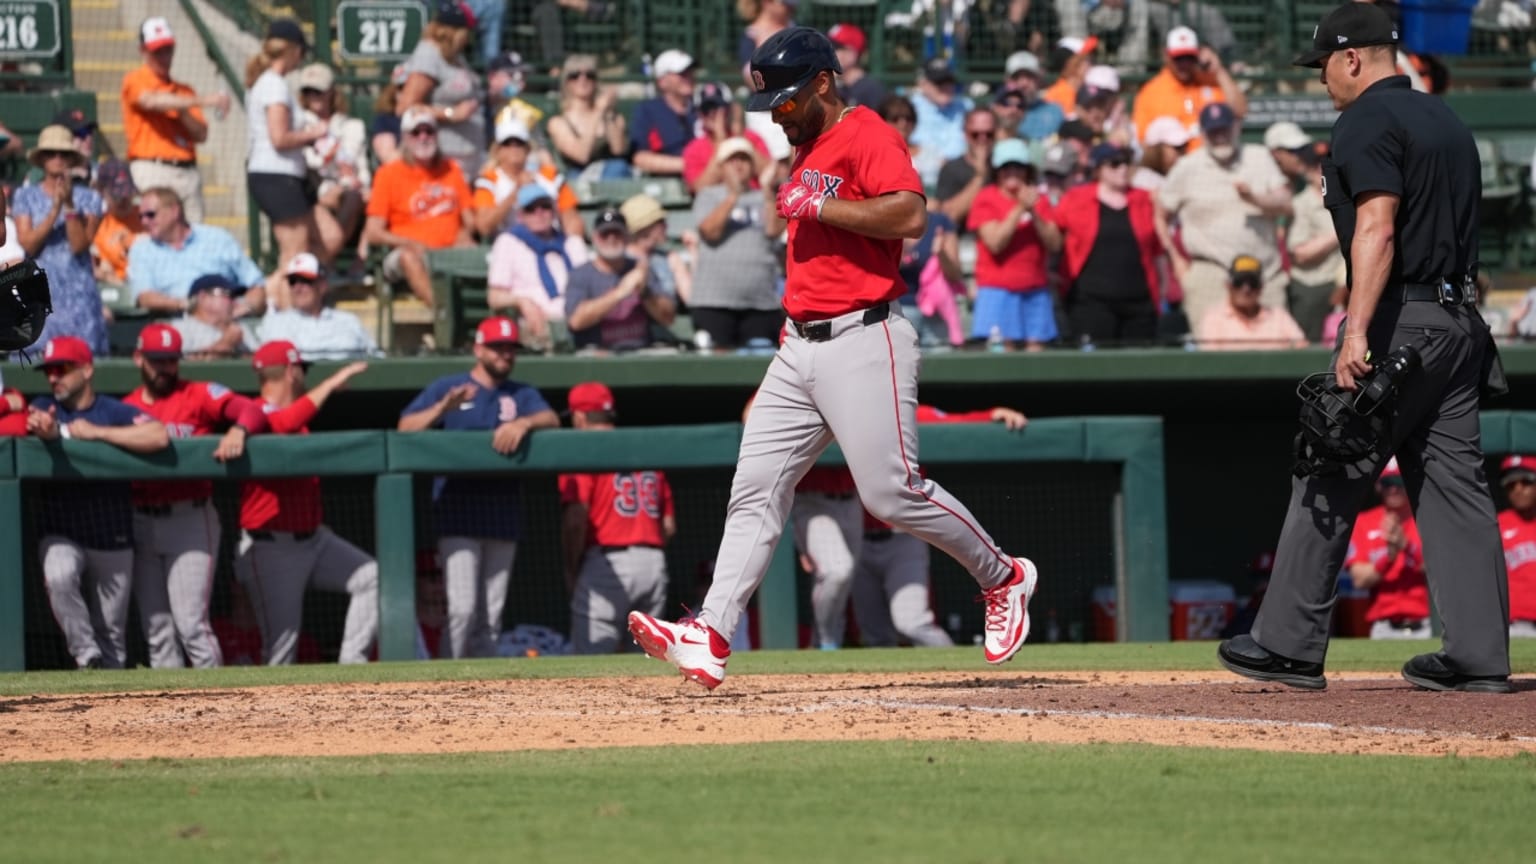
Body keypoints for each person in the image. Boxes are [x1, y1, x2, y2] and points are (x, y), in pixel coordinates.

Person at [627, 28, 1037, 690]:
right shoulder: (808, 145)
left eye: (788, 100)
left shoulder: (866, 131)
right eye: (772, 105)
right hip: (799, 344)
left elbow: (910, 215)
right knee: (754, 486)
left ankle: (1004, 576)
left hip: (864, 333)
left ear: (823, 82)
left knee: (889, 494)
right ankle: (710, 634)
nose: (779, 114)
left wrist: (824, 204)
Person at [1217, 3, 1511, 694]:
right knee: (1454, 487)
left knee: (1330, 462)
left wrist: (1354, 332)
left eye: (1323, 65)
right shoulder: (1447, 119)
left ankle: (1287, 644)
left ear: (1354, 58)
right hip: (1461, 321)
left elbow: (1376, 228)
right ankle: (1478, 656)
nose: (1322, 79)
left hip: (1399, 322)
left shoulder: (1368, 120)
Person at [397, 316, 560, 658]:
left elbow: (552, 418)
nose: (505, 354)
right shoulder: (450, 386)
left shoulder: (521, 394)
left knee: (490, 617)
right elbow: (405, 428)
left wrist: (524, 422)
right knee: (462, 610)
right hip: (457, 511)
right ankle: (446, 683)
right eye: (497, 347)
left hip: (503, 513)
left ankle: (483, 692)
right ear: (478, 348)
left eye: (510, 348)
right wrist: (442, 409)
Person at [124, 322, 269, 669]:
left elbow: (252, 410)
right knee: (156, 628)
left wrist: (239, 429)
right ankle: (168, 714)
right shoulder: (126, 407)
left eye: (170, 360)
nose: (164, 368)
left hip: (189, 516)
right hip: (142, 518)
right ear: (138, 359)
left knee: (191, 624)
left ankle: (216, 704)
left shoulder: (198, 393)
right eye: (156, 360)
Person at [24, 337, 169, 669]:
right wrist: (46, 430)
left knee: (113, 636)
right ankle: (85, 655)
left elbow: (158, 435)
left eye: (63, 369)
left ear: (87, 369)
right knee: (59, 576)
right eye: (49, 370)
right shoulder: (45, 404)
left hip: (112, 532)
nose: (54, 377)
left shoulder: (110, 410)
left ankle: (110, 709)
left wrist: (99, 433)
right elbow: (36, 422)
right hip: (62, 531)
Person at [236, 342, 377, 664]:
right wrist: (329, 384)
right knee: (281, 647)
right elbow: (281, 424)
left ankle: (351, 667)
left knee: (372, 577)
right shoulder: (256, 412)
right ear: (291, 371)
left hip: (313, 538)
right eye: (302, 369)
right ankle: (267, 713)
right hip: (271, 545)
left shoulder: (297, 418)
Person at [854, 403, 1028, 648]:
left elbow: (954, 423)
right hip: (856, 541)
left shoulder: (907, 411)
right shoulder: (849, 416)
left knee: (912, 623)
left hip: (903, 539)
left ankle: (962, 669)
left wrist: (989, 415)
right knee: (875, 634)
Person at [559, 381, 675, 653]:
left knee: (591, 664)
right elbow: (668, 526)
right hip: (653, 561)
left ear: (579, 417)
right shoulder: (642, 449)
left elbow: (575, 520)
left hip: (607, 563)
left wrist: (571, 570)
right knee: (646, 662)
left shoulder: (581, 449)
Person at [1158, 102, 1291, 329]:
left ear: (1237, 127)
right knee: (1213, 358)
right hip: (1211, 274)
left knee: (1273, 355)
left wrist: (1255, 199)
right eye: (1213, 131)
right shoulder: (1187, 167)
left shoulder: (1259, 157)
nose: (1220, 137)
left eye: (1224, 129)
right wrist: (1177, 262)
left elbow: (1286, 203)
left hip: (1263, 275)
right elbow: (1160, 215)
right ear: (1202, 133)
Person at [1036, 143, 1163, 347]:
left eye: (1126, 163)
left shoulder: (1144, 199)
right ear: (1098, 169)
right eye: (1114, 164)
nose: (1122, 169)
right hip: (1091, 301)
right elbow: (1052, 236)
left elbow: (1157, 250)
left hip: (1139, 301)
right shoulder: (1077, 198)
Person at [246, 18, 330, 303]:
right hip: (276, 176)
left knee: (309, 246)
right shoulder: (274, 85)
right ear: (291, 50)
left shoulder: (269, 83)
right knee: (293, 256)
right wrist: (313, 133)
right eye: (301, 52)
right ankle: (271, 311)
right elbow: (279, 138)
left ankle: (262, 301)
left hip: (280, 176)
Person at [121, 16, 230, 225]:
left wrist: (181, 109)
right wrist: (204, 101)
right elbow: (150, 101)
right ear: (143, 51)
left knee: (194, 237)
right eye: (157, 51)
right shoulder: (135, 79)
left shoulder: (184, 91)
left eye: (167, 50)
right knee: (157, 233)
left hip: (186, 172)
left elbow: (201, 134)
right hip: (152, 169)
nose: (164, 57)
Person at [363, 106, 477, 305]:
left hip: (450, 250)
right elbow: (373, 232)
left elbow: (471, 219)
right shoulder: (388, 174)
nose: (423, 137)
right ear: (405, 138)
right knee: (409, 258)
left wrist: (466, 231)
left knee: (482, 255)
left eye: (429, 131)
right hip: (408, 252)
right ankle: (444, 315)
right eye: (416, 132)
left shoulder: (451, 169)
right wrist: (408, 243)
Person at [13, 126, 107, 356]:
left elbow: (79, 245)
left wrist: (69, 205)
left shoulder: (90, 198)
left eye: (63, 154)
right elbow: (29, 244)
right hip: (40, 293)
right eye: (51, 153)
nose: (57, 159)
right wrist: (55, 209)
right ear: (42, 158)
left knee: (82, 358)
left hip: (79, 297)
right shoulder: (25, 196)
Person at [689, 137, 786, 350]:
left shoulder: (765, 197)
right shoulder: (708, 195)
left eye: (744, 159)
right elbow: (710, 232)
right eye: (732, 160)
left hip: (760, 303)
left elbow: (773, 230)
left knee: (760, 369)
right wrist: (734, 196)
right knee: (715, 370)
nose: (739, 165)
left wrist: (768, 192)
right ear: (721, 167)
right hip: (714, 302)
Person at [967, 139, 1054, 351]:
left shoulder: (1040, 200)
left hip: (1035, 290)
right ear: (997, 170)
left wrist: (1033, 212)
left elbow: (1054, 243)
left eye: (1018, 167)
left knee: (1037, 360)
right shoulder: (985, 199)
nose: (1012, 172)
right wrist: (1020, 209)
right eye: (1006, 167)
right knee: (1001, 358)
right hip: (998, 291)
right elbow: (995, 243)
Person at [127, 187, 266, 316]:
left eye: (150, 214)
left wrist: (245, 309)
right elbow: (145, 297)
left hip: (228, 319)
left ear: (174, 211)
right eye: (140, 216)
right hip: (178, 323)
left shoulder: (217, 238)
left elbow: (256, 285)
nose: (144, 221)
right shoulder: (142, 250)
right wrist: (191, 306)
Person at [1266, 123, 1344, 343]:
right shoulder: (1301, 203)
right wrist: (1340, 232)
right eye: (1314, 164)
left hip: (1347, 285)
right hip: (1314, 285)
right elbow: (1300, 253)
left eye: (1326, 163)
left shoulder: (1347, 199)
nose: (1320, 168)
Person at [486, 184, 590, 348]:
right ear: (521, 216)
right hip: (535, 323)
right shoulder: (509, 243)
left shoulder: (571, 243)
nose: (539, 213)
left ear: (554, 211)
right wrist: (522, 301)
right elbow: (494, 297)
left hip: (578, 319)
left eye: (545, 207)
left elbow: (590, 285)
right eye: (531, 209)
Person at [1340, 457, 1430, 639]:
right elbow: (1360, 579)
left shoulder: (1427, 519)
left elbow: (1439, 568)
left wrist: (1406, 546)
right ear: (1378, 486)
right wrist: (1389, 557)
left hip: (1426, 626)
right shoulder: (1363, 522)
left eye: (1399, 482)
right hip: (1384, 628)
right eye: (1387, 483)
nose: (1394, 489)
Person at [397, 1, 488, 179]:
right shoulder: (429, 54)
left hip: (469, 154)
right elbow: (405, 107)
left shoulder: (455, 56)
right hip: (443, 158)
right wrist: (450, 113)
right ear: (457, 32)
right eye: (467, 32)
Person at [564, 207, 674, 350]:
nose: (611, 239)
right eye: (605, 234)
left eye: (617, 233)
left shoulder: (639, 269)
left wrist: (645, 292)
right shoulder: (581, 274)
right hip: (598, 355)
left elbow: (668, 317)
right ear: (595, 238)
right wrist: (620, 293)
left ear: (627, 237)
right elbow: (575, 321)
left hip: (641, 352)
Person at [296, 62, 370, 262]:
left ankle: (328, 259)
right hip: (313, 190)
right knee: (342, 193)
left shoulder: (351, 125)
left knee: (357, 195)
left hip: (349, 187)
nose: (314, 96)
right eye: (308, 92)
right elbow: (312, 162)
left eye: (318, 91)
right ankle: (327, 261)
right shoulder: (299, 123)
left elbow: (354, 162)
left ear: (331, 92)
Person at [1131, 26, 1246, 149]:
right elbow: (1141, 141)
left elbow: (1239, 111)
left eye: (1189, 57)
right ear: (1166, 56)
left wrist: (1219, 71)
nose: (1184, 64)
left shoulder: (1209, 82)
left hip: (1212, 159)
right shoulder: (1150, 93)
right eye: (1179, 58)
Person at [473, 114, 583, 239]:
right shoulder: (489, 181)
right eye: (507, 143)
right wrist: (516, 192)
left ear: (528, 148)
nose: (513, 149)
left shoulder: (550, 176)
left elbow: (572, 219)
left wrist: (570, 246)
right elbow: (484, 227)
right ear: (498, 150)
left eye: (519, 143)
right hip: (511, 247)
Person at [259, 253, 380, 359]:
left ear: (322, 285)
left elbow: (376, 359)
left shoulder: (348, 321)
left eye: (305, 281)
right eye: (293, 281)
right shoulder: (276, 323)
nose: (297, 287)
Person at [1194, 254, 1306, 350]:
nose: (1246, 289)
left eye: (1253, 283)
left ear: (1261, 287)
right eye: (1239, 282)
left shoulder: (1279, 316)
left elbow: (1302, 350)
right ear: (1228, 286)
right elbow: (1210, 362)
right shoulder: (1214, 318)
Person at [546, 53, 630, 182]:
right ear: (566, 82)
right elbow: (581, 155)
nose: (583, 79)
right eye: (575, 75)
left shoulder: (612, 115)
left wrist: (608, 113)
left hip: (614, 177)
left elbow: (618, 150)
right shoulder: (558, 122)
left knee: (619, 167)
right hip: (578, 180)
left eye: (589, 75)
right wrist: (598, 111)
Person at [682, 81, 771, 194]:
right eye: (706, 109)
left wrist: (739, 139)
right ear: (699, 113)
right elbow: (700, 188)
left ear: (729, 109)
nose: (712, 113)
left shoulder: (749, 137)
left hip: (753, 201)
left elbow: (769, 173)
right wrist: (721, 141)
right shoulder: (693, 149)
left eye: (717, 107)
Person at [629, 49, 698, 177]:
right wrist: (691, 164)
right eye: (681, 73)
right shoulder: (648, 111)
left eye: (690, 71)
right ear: (662, 81)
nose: (688, 77)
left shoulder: (704, 107)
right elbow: (640, 158)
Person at [908, 58, 972, 187]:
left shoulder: (966, 107)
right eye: (939, 83)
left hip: (960, 176)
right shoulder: (910, 109)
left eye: (949, 82)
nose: (946, 87)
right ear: (923, 84)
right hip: (921, 178)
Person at [622, 193, 692, 308]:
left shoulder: (670, 258)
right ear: (645, 227)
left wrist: (694, 253)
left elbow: (690, 299)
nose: (666, 226)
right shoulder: (619, 259)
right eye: (661, 222)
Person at [934, 108, 996, 229]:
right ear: (965, 134)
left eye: (989, 134)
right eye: (975, 134)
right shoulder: (951, 169)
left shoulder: (1005, 167)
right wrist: (980, 177)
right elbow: (949, 216)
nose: (982, 139)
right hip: (964, 241)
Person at [1496, 456, 1536, 638]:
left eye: (1526, 482)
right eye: (1511, 485)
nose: (1518, 490)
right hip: (1518, 627)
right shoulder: (1496, 525)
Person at [170, 274, 257, 359]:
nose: (235, 302)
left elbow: (259, 363)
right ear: (203, 297)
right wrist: (226, 343)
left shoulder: (239, 326)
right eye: (228, 295)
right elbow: (188, 368)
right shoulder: (180, 329)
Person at [91, 160, 142, 292]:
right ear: (101, 192)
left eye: (126, 193)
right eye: (116, 196)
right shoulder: (98, 225)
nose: (123, 200)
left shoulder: (147, 216)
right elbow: (100, 269)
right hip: (117, 288)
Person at [1000, 50, 1063, 142]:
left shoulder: (1054, 111)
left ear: (1038, 79)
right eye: (1016, 77)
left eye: (1029, 76)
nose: (1023, 84)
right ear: (1007, 81)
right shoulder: (997, 113)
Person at [827, 23, 887, 109]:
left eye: (835, 48)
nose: (829, 52)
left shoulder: (871, 89)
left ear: (852, 53)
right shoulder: (839, 89)